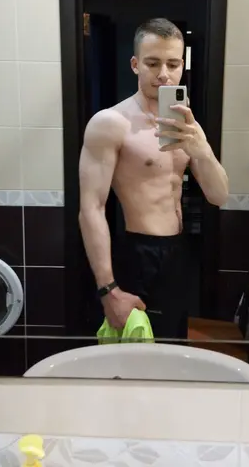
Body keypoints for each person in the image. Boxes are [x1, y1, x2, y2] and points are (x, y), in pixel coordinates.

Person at [78, 18, 229, 340]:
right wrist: (108, 289)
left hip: (179, 253)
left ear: (182, 66)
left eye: (173, 64)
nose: (163, 74)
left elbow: (219, 196)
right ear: (135, 64)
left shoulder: (187, 126)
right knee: (137, 355)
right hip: (138, 253)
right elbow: (91, 208)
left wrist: (201, 150)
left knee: (172, 349)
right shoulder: (111, 123)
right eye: (152, 63)